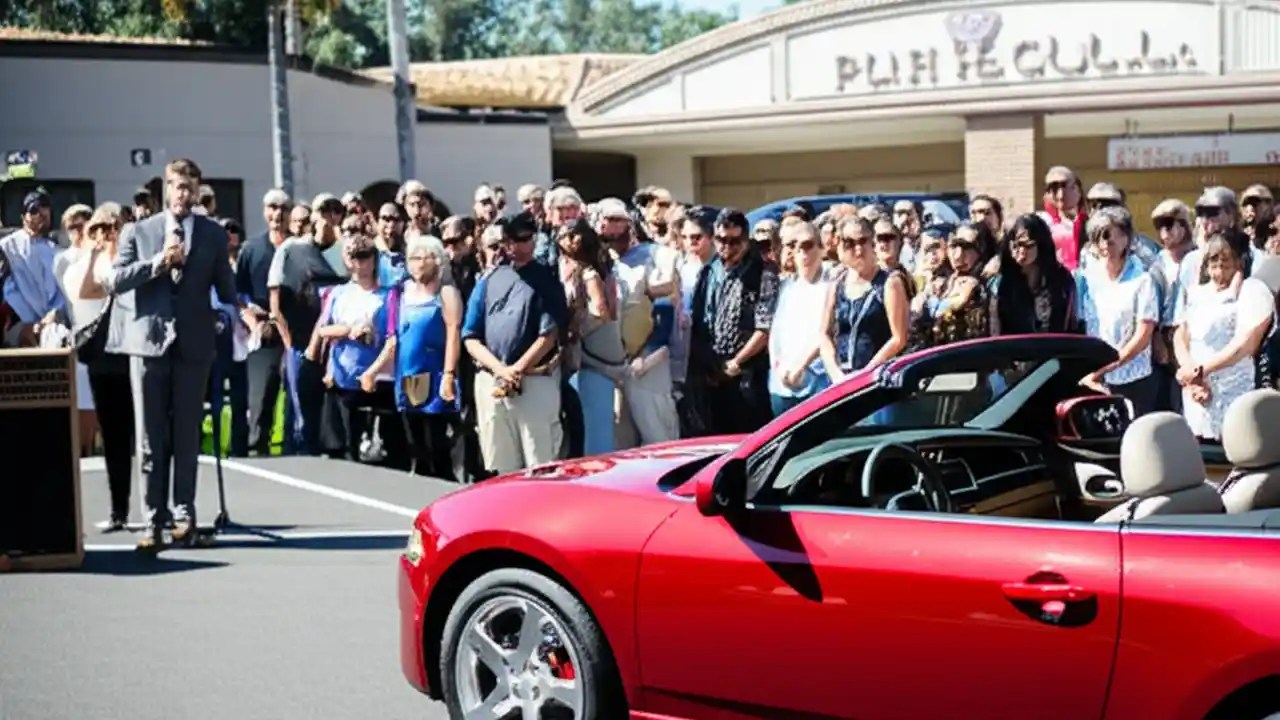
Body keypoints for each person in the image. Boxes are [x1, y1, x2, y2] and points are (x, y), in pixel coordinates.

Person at [98, 158, 237, 552]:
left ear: (198, 192)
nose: (184, 194)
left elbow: (225, 289)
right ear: (166, 189)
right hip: (147, 344)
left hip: (193, 345)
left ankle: (183, 516)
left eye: (190, 187)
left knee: (187, 435)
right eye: (177, 186)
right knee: (148, 438)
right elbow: (116, 280)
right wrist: (158, 263)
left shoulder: (212, 235)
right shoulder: (138, 231)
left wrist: (240, 311)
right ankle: (151, 520)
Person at [367, 234, 463, 478]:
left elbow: (453, 334)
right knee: (417, 446)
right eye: (414, 258)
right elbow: (393, 339)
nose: (419, 263)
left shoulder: (447, 293)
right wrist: (374, 370)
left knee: (438, 446)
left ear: (438, 261)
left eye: (425, 258)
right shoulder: (401, 293)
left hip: (436, 374)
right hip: (409, 376)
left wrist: (449, 375)